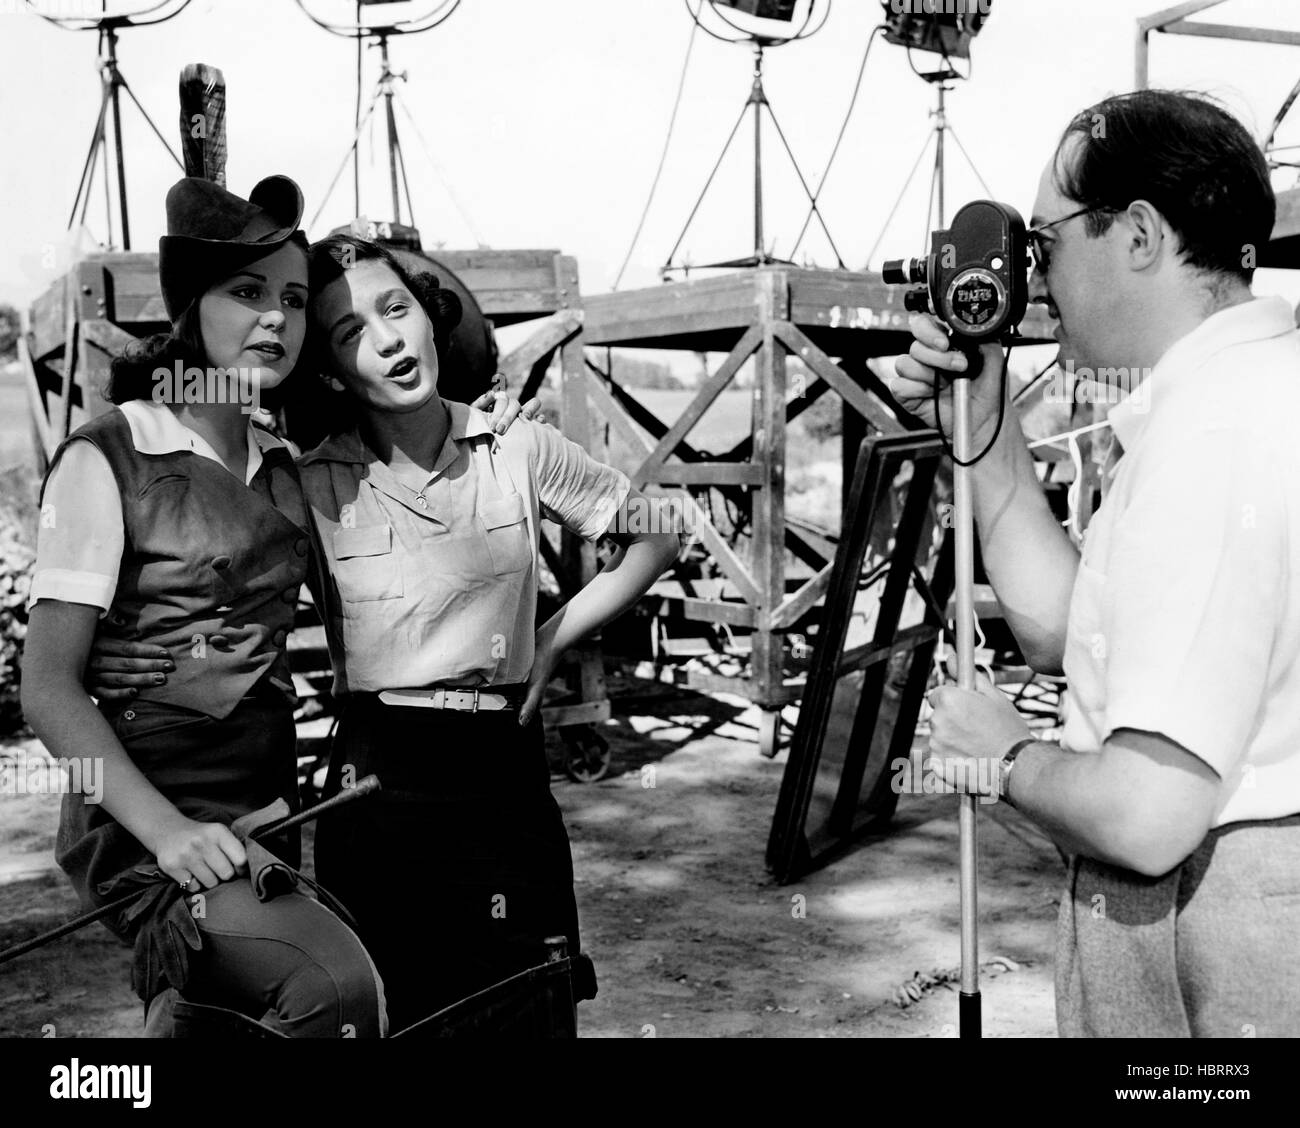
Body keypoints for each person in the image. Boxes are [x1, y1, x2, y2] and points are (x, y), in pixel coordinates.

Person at [893, 89, 1300, 1037]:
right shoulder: (1242, 395)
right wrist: (980, 419)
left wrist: (1005, 757)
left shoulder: (1216, 435)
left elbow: (1145, 815)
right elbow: (1062, 631)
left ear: (1142, 235)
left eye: (1046, 243)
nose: (1033, 279)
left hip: (1216, 934)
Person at [21, 175, 391, 1036]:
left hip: (266, 807)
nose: (278, 319)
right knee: (334, 993)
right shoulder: (111, 456)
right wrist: (166, 832)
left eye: (295, 300)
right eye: (248, 292)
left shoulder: (286, 465)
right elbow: (46, 691)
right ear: (189, 307)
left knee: (219, 1016)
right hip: (145, 818)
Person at [296, 234, 679, 1031]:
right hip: (377, 789)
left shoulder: (518, 445)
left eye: (396, 308)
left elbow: (658, 532)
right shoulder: (306, 483)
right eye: (351, 331)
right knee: (396, 1017)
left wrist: (554, 632)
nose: (389, 339)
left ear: (431, 321)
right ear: (332, 369)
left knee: (528, 1006)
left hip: (502, 771)